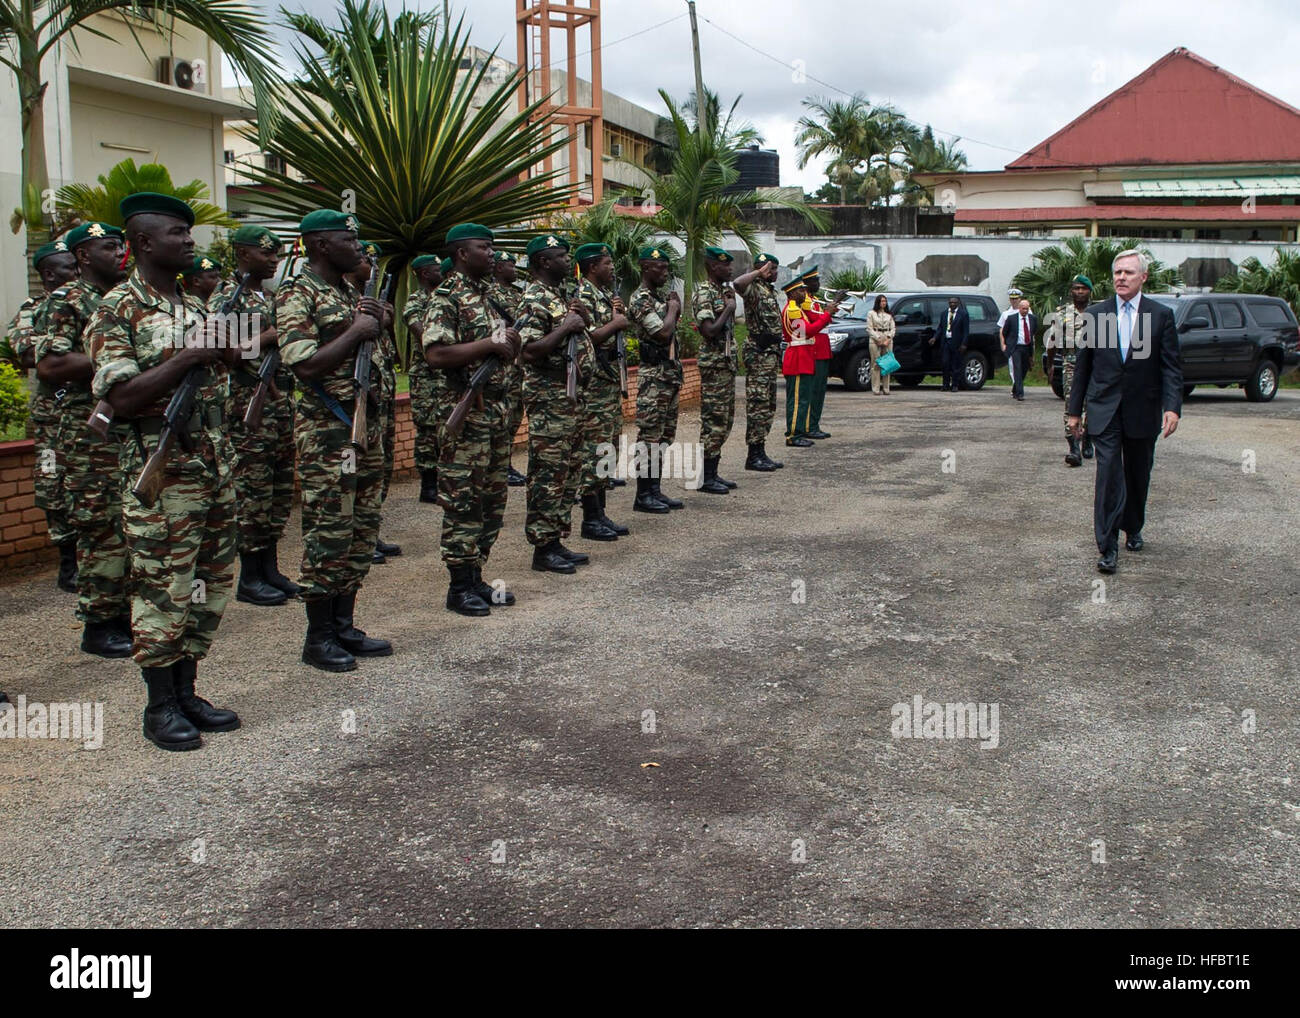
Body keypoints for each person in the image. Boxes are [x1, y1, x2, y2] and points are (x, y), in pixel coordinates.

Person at [87, 191, 242, 751]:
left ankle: (187, 689)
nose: (188, 242)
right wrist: (184, 358)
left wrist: (224, 351)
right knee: (162, 588)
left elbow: (228, 370)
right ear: (144, 242)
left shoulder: (197, 306)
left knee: (210, 582)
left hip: (213, 467)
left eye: (188, 233)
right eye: (178, 233)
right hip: (163, 474)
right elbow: (120, 399)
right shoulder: (116, 310)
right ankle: (159, 707)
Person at [276, 210, 392, 671]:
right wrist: (357, 331)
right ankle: (318, 636)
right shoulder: (296, 293)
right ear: (321, 245)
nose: (358, 247)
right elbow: (303, 365)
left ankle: (344, 624)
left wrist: (373, 324)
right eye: (349, 239)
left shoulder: (349, 292)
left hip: (366, 431)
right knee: (328, 533)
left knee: (361, 531)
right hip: (328, 435)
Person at [37, 221, 132, 657]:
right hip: (85, 432)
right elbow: (51, 366)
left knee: (126, 523)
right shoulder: (66, 300)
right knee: (99, 527)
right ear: (82, 256)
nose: (120, 254)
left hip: (124, 429)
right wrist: (115, 357)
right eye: (109, 247)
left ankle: (122, 613)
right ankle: (99, 624)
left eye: (121, 246)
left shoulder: (121, 299)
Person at [423, 223, 521, 615]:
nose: (492, 254)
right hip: (466, 413)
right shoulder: (446, 298)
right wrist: (489, 344)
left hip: (496, 412)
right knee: (464, 501)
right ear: (462, 254)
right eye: (485, 247)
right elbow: (435, 354)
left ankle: (477, 574)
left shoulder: (490, 297)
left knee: (492, 500)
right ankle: (458, 585)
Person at [1068, 249, 1182, 574]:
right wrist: (1074, 412)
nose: (1121, 277)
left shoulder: (1159, 316)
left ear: (1143, 277)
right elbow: (1084, 366)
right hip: (1104, 409)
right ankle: (1107, 546)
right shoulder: (1097, 314)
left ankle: (1133, 526)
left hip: (1142, 410)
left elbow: (1171, 368)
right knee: (1108, 475)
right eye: (1117, 272)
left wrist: (1172, 407)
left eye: (1128, 272)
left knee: (1137, 472)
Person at [225, 225, 301, 604]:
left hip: (280, 407)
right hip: (247, 411)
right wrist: (271, 337)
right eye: (266, 254)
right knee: (253, 494)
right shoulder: (229, 298)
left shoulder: (269, 296)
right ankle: (250, 577)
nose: (274, 260)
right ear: (242, 254)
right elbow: (229, 353)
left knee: (277, 492)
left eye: (276, 255)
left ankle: (270, 569)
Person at [517, 233, 595, 572]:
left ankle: (556, 538)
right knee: (548, 473)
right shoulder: (533, 298)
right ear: (543, 262)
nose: (568, 260)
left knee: (568, 470)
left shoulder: (561, 295)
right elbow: (529, 350)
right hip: (548, 398)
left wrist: (580, 319)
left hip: (570, 398)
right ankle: (542, 546)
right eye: (561, 256)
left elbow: (580, 332)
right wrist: (565, 327)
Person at [7, 241, 79, 591]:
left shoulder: (87, 304)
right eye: (69, 267)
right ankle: (69, 562)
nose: (76, 271)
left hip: (87, 413)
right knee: (53, 483)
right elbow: (26, 354)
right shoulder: (31, 310)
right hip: (53, 417)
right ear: (50, 273)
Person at [572, 241, 629, 538]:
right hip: (594, 383)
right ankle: (590, 518)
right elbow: (585, 337)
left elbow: (623, 322)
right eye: (607, 264)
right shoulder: (583, 295)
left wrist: (620, 316)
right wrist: (616, 322)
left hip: (608, 381)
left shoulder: (607, 295)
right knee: (593, 450)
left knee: (609, 448)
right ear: (592, 267)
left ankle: (601, 513)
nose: (612, 269)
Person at [348, 242, 401, 564]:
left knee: (376, 472)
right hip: (343, 406)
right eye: (366, 260)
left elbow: (381, 346)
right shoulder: (345, 302)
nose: (370, 264)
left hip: (377, 397)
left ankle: (369, 533)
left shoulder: (368, 301)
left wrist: (384, 322)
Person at [626, 244, 684, 513]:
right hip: (653, 377)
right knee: (649, 436)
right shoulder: (640, 299)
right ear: (646, 268)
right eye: (660, 267)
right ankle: (643, 495)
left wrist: (671, 307)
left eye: (666, 268)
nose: (665, 272)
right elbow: (661, 333)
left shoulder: (658, 298)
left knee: (664, 436)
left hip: (669, 374)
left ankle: (655, 490)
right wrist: (673, 309)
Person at [693, 246, 743, 495]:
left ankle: (713, 472)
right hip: (713, 365)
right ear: (713, 267)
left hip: (725, 365)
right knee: (713, 420)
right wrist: (728, 309)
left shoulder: (723, 291)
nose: (730, 269)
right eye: (726, 265)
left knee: (725, 420)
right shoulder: (704, 293)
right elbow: (709, 330)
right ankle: (705, 476)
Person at [734, 252, 783, 471]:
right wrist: (757, 272)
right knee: (757, 403)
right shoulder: (753, 288)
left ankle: (760, 451)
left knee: (768, 404)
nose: (775, 273)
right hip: (759, 351)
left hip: (770, 353)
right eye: (771, 269)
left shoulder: (768, 290)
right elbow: (737, 283)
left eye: (774, 269)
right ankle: (753, 455)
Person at [405, 254, 444, 504]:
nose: (441, 271)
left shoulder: (444, 297)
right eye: (436, 269)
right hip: (426, 377)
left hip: (444, 376)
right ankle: (428, 485)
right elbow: (424, 336)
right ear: (424, 274)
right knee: (428, 429)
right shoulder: (415, 302)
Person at [489, 251, 528, 488]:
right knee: (505, 416)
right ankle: (501, 464)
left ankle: (506, 462)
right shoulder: (491, 295)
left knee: (515, 416)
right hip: (504, 366)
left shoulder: (518, 294)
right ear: (498, 268)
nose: (515, 269)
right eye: (510, 265)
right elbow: (495, 332)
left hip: (520, 365)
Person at [1049, 274, 1095, 466]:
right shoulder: (1062, 315)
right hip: (1071, 363)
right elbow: (1052, 342)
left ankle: (1088, 438)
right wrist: (1051, 365)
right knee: (1071, 405)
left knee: (1093, 404)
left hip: (1095, 366)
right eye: (1076, 288)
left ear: (1089, 291)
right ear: (1071, 291)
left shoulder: (1099, 313)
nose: (1079, 292)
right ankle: (1073, 447)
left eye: (1083, 288)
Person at [781, 277, 829, 448]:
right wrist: (827, 315)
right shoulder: (792, 310)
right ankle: (793, 435)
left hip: (804, 357)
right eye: (800, 290)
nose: (804, 292)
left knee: (803, 399)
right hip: (797, 358)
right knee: (797, 400)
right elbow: (806, 332)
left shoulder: (799, 310)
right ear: (792, 294)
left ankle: (799, 431)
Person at [799, 266, 835, 439]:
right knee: (813, 391)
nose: (818, 283)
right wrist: (827, 313)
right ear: (807, 283)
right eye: (815, 281)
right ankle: (809, 426)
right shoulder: (806, 300)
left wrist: (829, 311)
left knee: (820, 391)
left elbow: (825, 320)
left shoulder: (814, 299)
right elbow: (816, 321)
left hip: (822, 349)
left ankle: (814, 424)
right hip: (814, 349)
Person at [1001, 299, 1036, 401]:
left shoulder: (1032, 319)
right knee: (1018, 369)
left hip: (1027, 346)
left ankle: (1015, 389)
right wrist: (1008, 343)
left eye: (1027, 309)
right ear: (1019, 308)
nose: (1025, 311)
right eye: (1023, 308)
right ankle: (1020, 393)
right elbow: (1004, 332)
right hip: (1016, 347)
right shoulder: (1012, 318)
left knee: (1024, 369)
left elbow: (1033, 332)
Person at [935, 295, 968, 392]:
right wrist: (935, 337)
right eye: (951, 303)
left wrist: (964, 344)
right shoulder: (944, 313)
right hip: (946, 341)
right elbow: (940, 327)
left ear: (958, 303)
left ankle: (955, 385)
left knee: (955, 364)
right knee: (945, 363)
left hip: (957, 342)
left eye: (954, 303)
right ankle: (945, 384)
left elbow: (966, 331)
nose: (952, 304)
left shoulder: (963, 314)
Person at [866, 293, 896, 395]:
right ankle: (876, 388)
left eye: (885, 301)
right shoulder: (871, 313)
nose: (883, 303)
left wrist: (888, 338)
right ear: (878, 302)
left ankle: (886, 388)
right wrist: (877, 338)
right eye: (882, 301)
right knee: (876, 363)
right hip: (875, 337)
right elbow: (869, 328)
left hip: (887, 337)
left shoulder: (889, 315)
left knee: (887, 363)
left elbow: (893, 328)